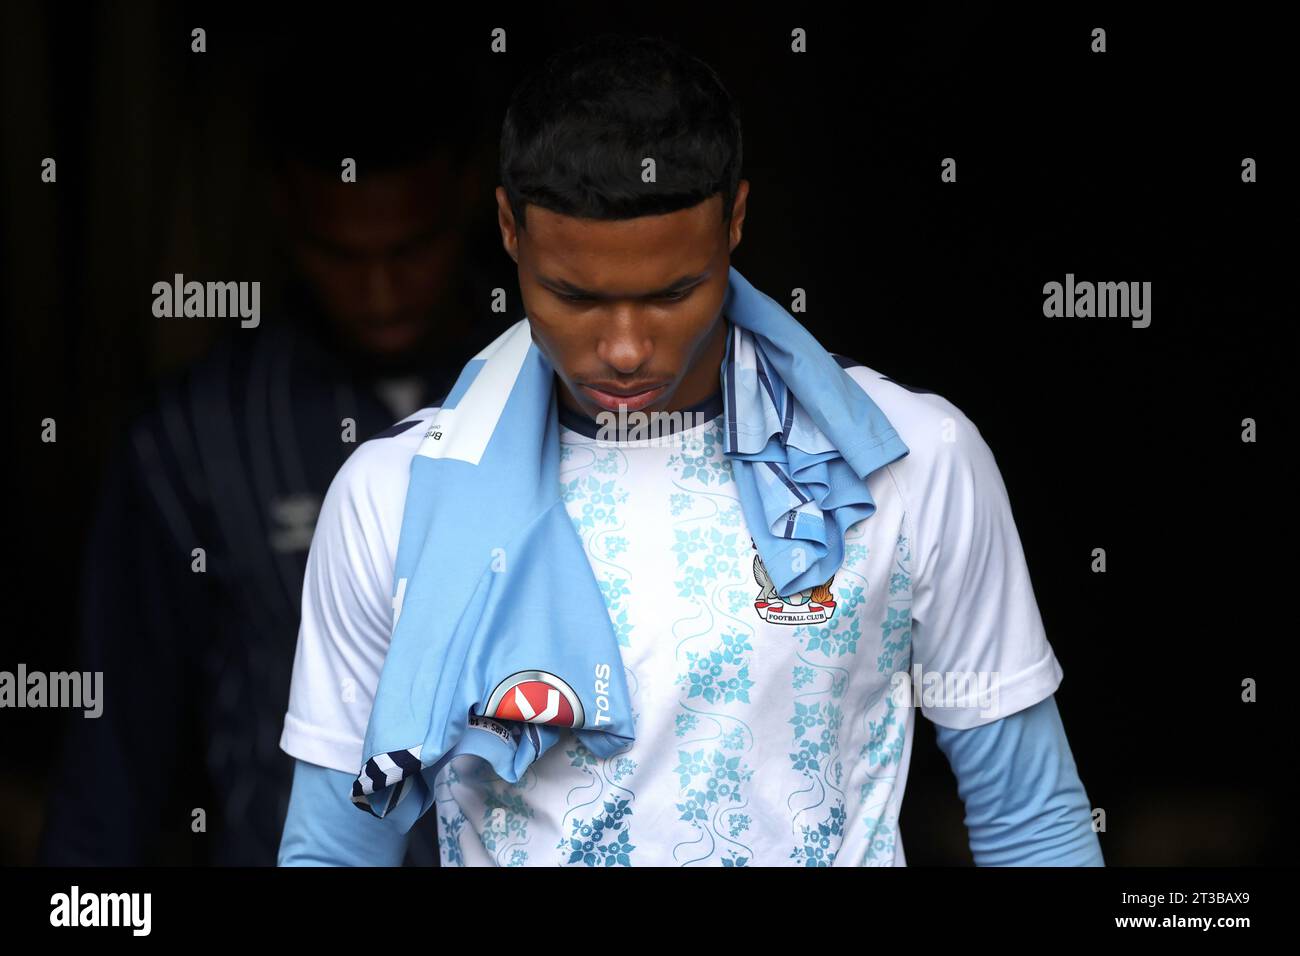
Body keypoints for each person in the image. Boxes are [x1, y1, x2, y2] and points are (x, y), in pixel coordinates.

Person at [277, 33, 1104, 866]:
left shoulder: (910, 458)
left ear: (735, 221)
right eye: (574, 296)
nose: (625, 348)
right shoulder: (396, 494)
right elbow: (336, 852)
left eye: (673, 293)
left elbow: (1031, 822)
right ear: (507, 230)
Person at [36, 34, 504, 866]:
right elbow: (117, 744)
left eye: (411, 248)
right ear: (284, 212)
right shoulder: (196, 439)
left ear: (473, 198)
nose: (381, 292)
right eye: (342, 255)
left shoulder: (560, 397)